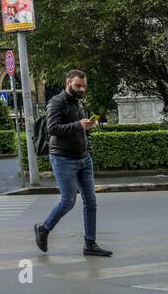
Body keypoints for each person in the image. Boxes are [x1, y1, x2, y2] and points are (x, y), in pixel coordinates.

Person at [35, 70, 113, 257]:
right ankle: (44, 228)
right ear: (68, 83)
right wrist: (79, 125)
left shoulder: (79, 102)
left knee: (91, 202)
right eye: (78, 85)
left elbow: (82, 129)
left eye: (84, 86)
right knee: (68, 201)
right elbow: (52, 128)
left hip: (83, 158)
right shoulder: (56, 102)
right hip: (63, 158)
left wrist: (87, 138)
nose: (82, 89)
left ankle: (90, 244)